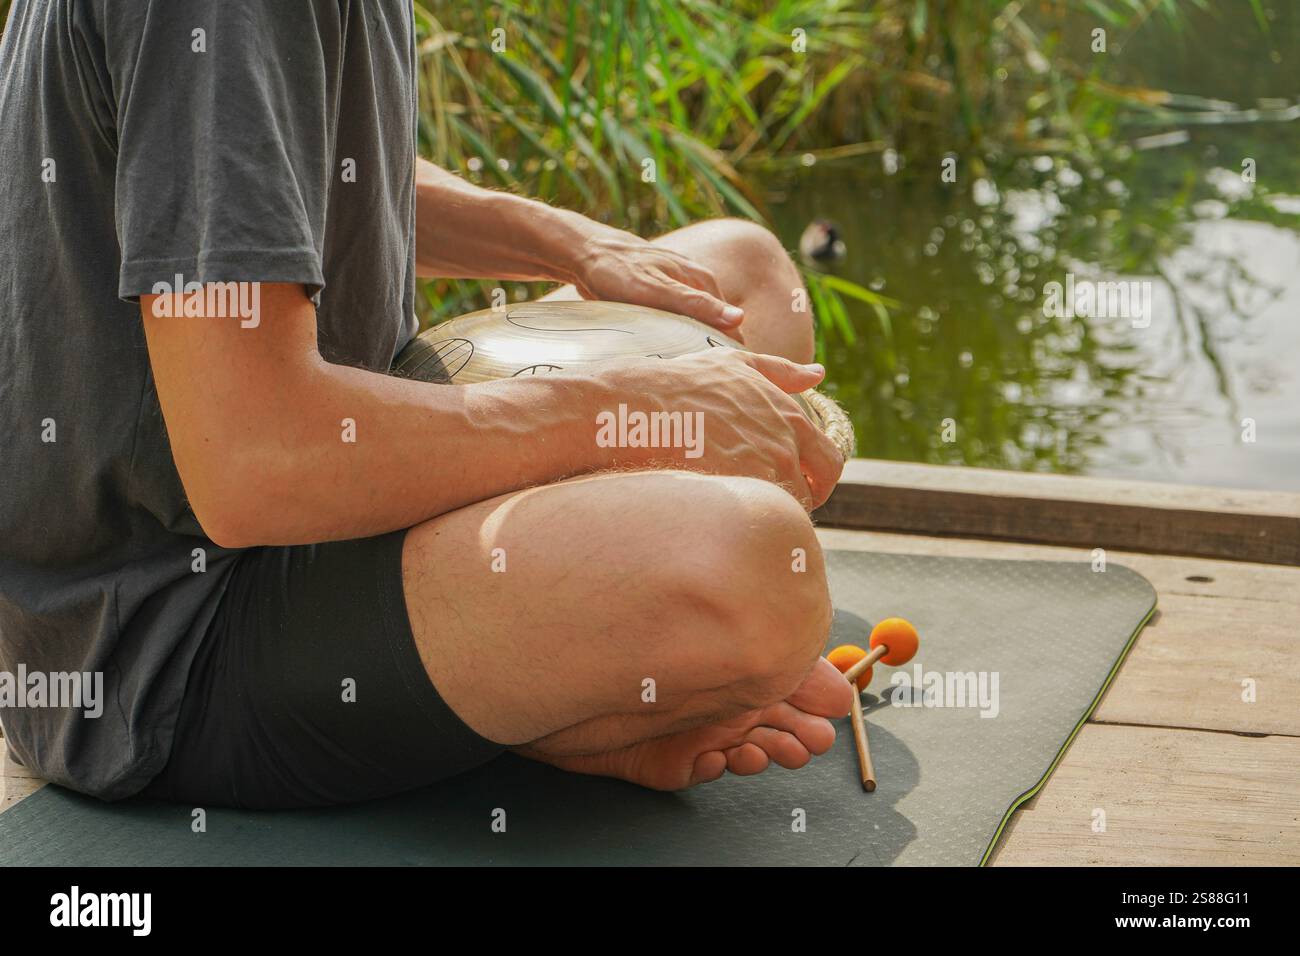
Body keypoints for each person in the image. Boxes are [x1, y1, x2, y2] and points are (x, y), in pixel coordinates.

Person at [0, 0, 849, 809]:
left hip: (343, 464)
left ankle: (550, 686)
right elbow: (254, 462)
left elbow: (299, 167)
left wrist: (568, 242)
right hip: (174, 627)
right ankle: (551, 716)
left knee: (743, 276)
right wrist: (637, 407)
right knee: (753, 565)